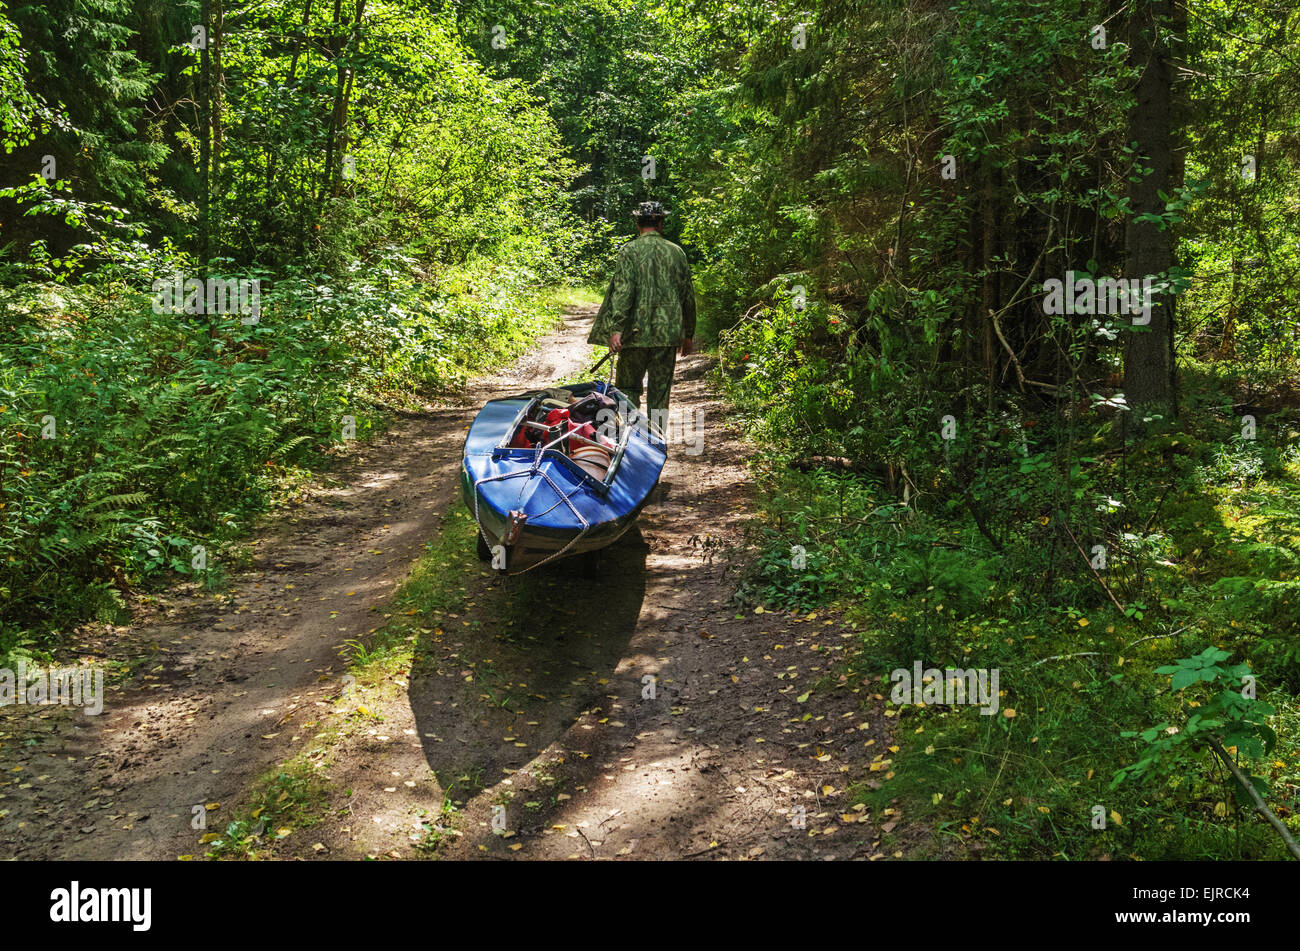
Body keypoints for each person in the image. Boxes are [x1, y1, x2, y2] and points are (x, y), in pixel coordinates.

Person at [588, 201, 696, 425]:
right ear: (661, 223)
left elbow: (623, 292)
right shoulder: (677, 253)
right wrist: (688, 334)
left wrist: (616, 328)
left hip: (633, 336)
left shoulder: (630, 250)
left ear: (637, 223)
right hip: (667, 337)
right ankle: (656, 442)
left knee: (627, 391)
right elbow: (688, 296)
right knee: (660, 395)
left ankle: (630, 440)